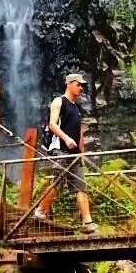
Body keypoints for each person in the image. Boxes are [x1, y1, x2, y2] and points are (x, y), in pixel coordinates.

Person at [34, 73, 98, 234]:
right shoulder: (59, 101)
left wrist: (82, 153)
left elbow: (80, 133)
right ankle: (40, 210)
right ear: (69, 83)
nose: (81, 87)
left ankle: (87, 222)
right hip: (60, 150)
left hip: (74, 154)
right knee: (57, 183)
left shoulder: (76, 108)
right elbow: (52, 124)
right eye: (78, 84)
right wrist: (66, 138)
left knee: (80, 187)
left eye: (82, 85)